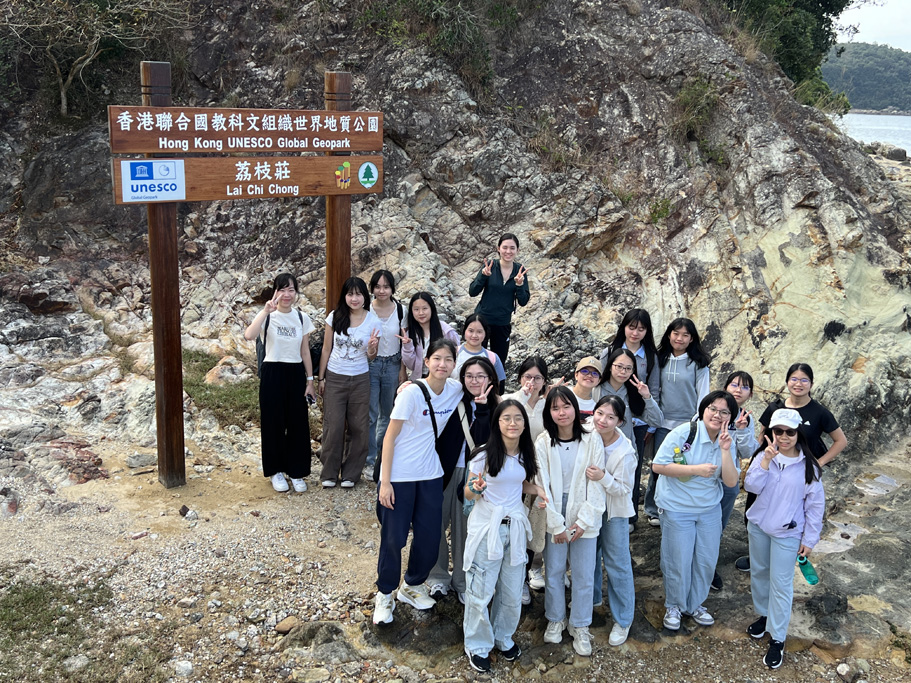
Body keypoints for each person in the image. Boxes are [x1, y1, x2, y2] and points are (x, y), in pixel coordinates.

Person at [373, 339, 465, 625]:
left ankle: (412, 585)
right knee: (394, 538)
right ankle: (385, 593)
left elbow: (483, 387)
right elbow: (389, 437)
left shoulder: (455, 389)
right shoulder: (411, 393)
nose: (442, 364)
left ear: (454, 364)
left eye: (448, 359)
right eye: (437, 358)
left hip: (431, 475)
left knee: (429, 536)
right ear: (426, 362)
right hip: (400, 476)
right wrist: (385, 482)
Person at [462, 399, 547, 673]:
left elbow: (517, 483)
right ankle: (477, 645)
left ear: (524, 423)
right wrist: (476, 488)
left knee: (511, 590)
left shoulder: (525, 453)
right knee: (481, 589)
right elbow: (468, 492)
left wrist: (537, 490)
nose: (513, 423)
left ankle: (502, 636)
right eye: (506, 418)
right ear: (497, 422)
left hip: (515, 528)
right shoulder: (483, 454)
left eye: (518, 418)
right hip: (488, 527)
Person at [736, 363, 846, 572]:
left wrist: (819, 462)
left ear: (811, 383)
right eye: (794, 379)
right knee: (755, 508)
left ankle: (783, 555)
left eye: (804, 380)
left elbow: (841, 441)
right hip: (769, 466)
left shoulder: (819, 412)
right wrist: (761, 459)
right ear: (787, 381)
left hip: (798, 470)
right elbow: (763, 435)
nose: (798, 384)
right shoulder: (774, 408)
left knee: (792, 512)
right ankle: (755, 556)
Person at [652, 390, 739, 631]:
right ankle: (674, 605)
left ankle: (695, 604)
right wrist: (695, 470)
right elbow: (658, 465)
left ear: (730, 417)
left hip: (709, 509)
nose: (717, 415)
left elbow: (731, 481)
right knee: (677, 560)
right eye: (713, 409)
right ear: (703, 410)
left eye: (724, 412)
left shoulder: (727, 440)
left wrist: (725, 450)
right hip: (677, 507)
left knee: (705, 560)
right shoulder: (684, 433)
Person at [744, 409, 824, 669]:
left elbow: (815, 506)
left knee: (781, 584)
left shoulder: (809, 467)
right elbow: (751, 487)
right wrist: (766, 460)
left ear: (798, 433)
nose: (784, 436)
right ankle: (764, 615)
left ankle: (778, 637)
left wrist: (809, 539)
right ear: (772, 432)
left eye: (790, 432)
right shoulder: (763, 456)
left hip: (787, 533)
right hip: (759, 526)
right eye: (778, 431)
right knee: (759, 573)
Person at [536, 386, 605, 656]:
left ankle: (580, 624)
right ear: (549, 412)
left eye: (566, 406)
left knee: (584, 573)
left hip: (585, 508)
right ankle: (556, 618)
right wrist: (556, 525)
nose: (562, 412)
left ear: (575, 409)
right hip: (553, 507)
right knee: (553, 571)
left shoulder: (591, 438)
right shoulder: (543, 441)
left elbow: (596, 483)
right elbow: (542, 484)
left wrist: (583, 522)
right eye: (555, 408)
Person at [428, 356, 499, 605]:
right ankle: (437, 576)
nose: (474, 381)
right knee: (436, 524)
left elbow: (483, 442)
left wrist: (483, 409)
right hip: (444, 470)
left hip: (474, 476)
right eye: (469, 376)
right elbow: (430, 388)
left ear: (491, 378)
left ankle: (462, 580)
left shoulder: (498, 407)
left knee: (465, 529)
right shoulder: (453, 399)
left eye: (480, 376)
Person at [243, 273, 316, 493]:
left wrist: (310, 380)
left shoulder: (302, 318)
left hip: (295, 372)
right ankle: (275, 471)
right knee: (273, 423)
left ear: (296, 293)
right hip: (272, 371)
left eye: (291, 290)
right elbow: (249, 335)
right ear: (275, 292)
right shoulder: (267, 316)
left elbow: (305, 351)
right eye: (282, 290)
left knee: (297, 423)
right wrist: (265, 310)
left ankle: (297, 471)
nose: (286, 294)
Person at [502, 355, 559, 599]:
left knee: (535, 525)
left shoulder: (549, 405)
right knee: (514, 524)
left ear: (545, 381)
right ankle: (515, 579)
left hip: (540, 472)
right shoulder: (511, 400)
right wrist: (522, 397)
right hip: (513, 469)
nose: (532, 383)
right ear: (519, 378)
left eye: (537, 378)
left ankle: (531, 572)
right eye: (527, 377)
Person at [644, 318, 711, 526]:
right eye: (676, 333)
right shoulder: (659, 359)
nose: (679, 338)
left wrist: (698, 421)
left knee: (683, 466)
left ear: (692, 339)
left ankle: (677, 505)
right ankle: (653, 508)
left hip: (687, 425)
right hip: (662, 423)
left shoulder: (698, 364)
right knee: (659, 466)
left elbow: (703, 395)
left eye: (685, 335)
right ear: (669, 334)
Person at [317, 276, 381, 488]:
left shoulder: (373, 321)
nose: (354, 298)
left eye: (358, 294)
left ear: (365, 296)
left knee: (359, 427)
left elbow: (372, 356)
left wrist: (371, 348)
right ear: (344, 296)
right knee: (333, 426)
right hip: (335, 376)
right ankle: (329, 472)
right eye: (350, 294)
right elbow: (326, 349)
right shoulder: (335, 317)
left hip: (360, 378)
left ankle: (351, 474)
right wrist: (321, 378)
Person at [599, 309, 661, 528]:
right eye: (631, 327)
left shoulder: (650, 357)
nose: (635, 332)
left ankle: (629, 517)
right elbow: (597, 382)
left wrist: (646, 400)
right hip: (604, 430)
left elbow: (653, 393)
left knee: (629, 471)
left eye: (641, 329)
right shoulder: (609, 353)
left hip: (636, 419)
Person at [588, 396, 637, 646]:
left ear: (619, 421)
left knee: (617, 563)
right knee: (588, 557)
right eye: (600, 413)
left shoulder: (625, 451)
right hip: (588, 506)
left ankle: (623, 619)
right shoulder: (587, 431)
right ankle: (592, 598)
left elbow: (624, 489)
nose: (603, 420)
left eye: (610, 417)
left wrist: (603, 477)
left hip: (613, 511)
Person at [712, 371, 759, 590]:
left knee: (718, 526)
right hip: (705, 476)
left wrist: (741, 430)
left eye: (745, 387)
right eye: (734, 384)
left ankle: (709, 566)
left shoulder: (746, 419)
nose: (738, 390)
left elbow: (747, 451)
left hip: (729, 479)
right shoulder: (712, 409)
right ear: (725, 388)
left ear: (750, 394)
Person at [468, 233, 531, 365]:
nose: (508, 251)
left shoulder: (520, 271)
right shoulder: (490, 266)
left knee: (499, 363)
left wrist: (519, 285)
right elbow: (473, 292)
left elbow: (523, 301)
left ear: (517, 250)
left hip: (503, 323)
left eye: (512, 248)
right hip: (482, 321)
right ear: (498, 249)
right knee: (477, 361)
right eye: (505, 247)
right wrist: (483, 277)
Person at [366, 269, 406, 469]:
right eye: (378, 287)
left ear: (392, 289)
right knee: (370, 414)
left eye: (386, 287)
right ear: (372, 288)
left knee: (388, 413)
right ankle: (368, 459)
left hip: (393, 364)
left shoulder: (401, 310)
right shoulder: (365, 309)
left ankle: (382, 457)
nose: (382, 291)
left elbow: (405, 342)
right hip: (370, 365)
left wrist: (402, 369)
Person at [597, 348, 663, 453]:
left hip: (624, 454)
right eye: (619, 366)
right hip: (597, 451)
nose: (623, 372)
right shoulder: (596, 390)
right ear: (610, 366)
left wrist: (647, 397)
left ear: (633, 371)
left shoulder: (632, 394)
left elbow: (657, 421)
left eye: (628, 368)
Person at [400, 292, 460, 380]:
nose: (421, 313)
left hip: (443, 379)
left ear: (432, 308)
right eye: (416, 309)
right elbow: (411, 365)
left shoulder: (445, 330)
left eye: (425, 308)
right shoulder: (411, 333)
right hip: (421, 379)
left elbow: (457, 354)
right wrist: (407, 346)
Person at [453, 313, 507, 391]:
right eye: (471, 331)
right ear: (464, 331)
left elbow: (498, 386)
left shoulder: (492, 357)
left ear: (485, 333)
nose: (474, 335)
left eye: (479, 332)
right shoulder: (454, 352)